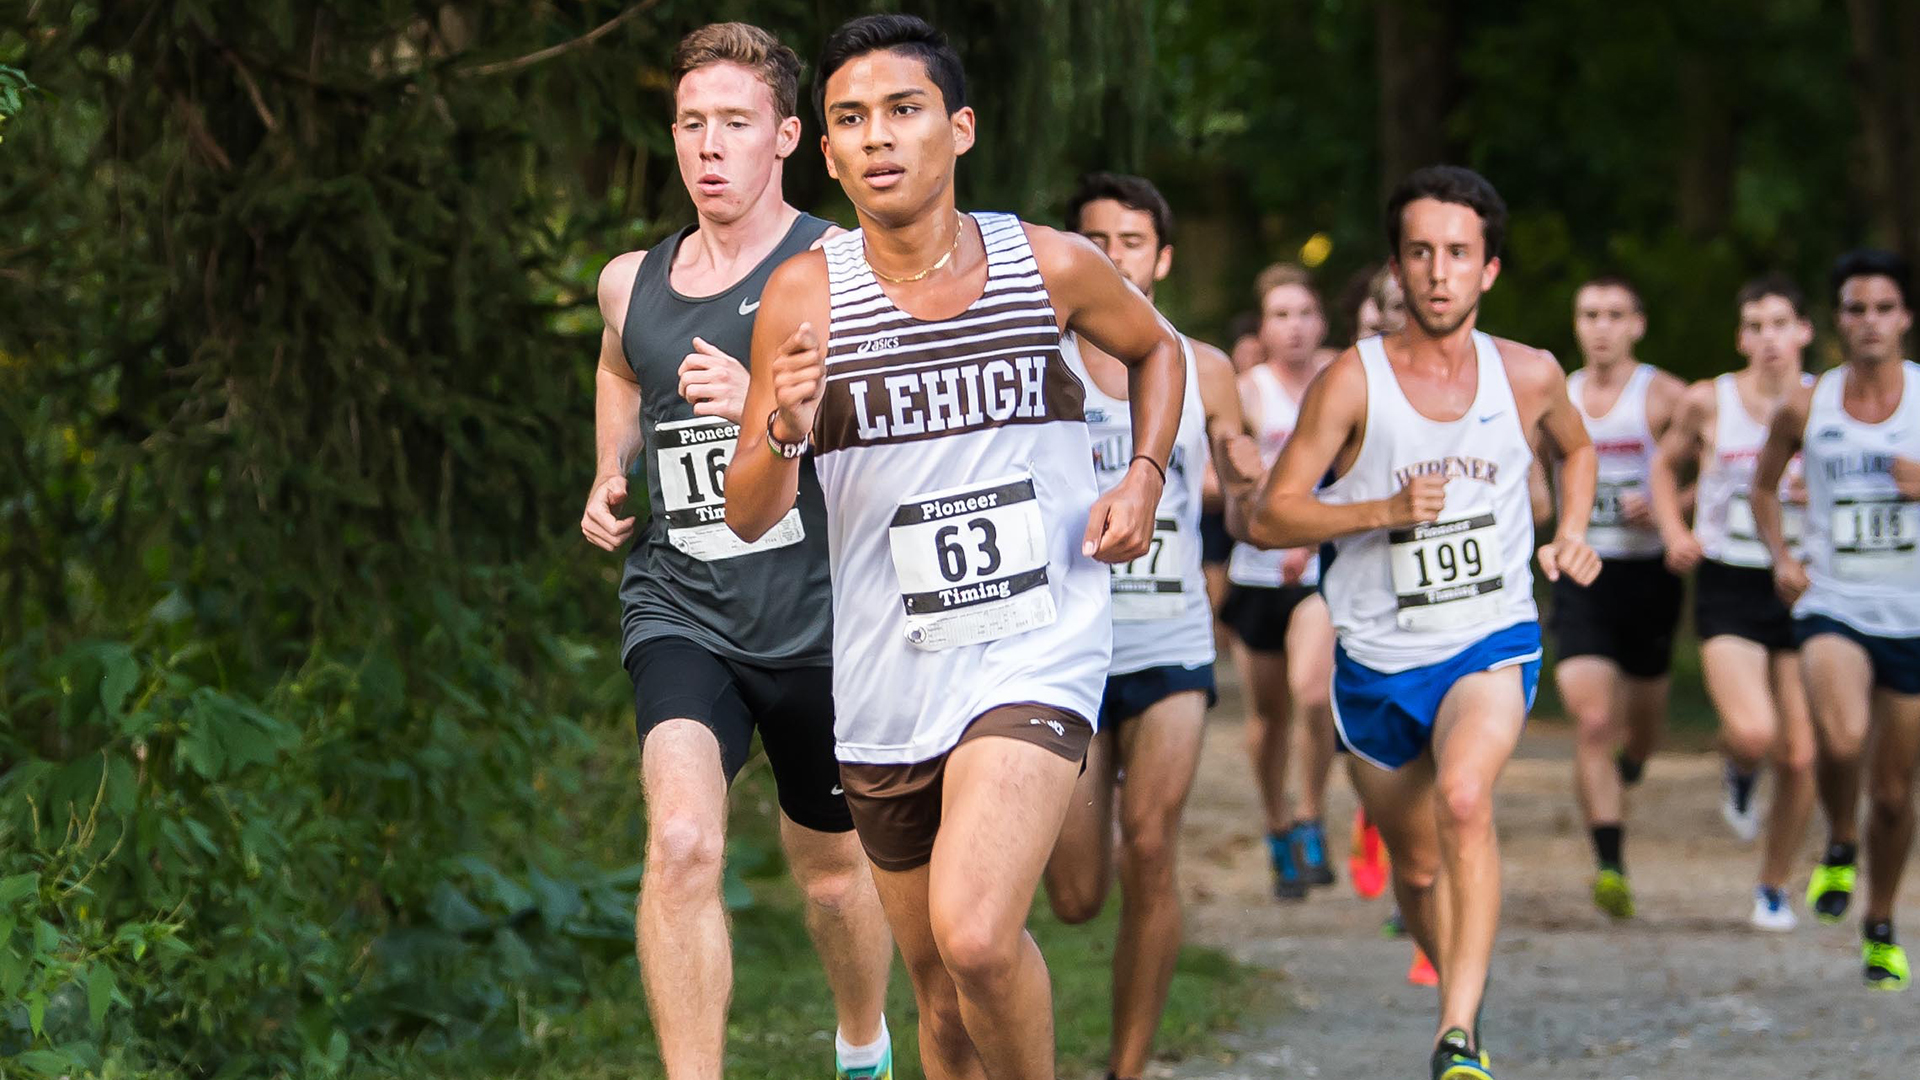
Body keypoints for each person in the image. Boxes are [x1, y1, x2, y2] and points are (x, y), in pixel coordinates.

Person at [723, 15, 1186, 1077]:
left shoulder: (1051, 265)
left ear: (959, 127)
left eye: (904, 110)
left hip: (1036, 645)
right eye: (851, 119)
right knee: (937, 993)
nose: (878, 137)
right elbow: (750, 512)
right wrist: (785, 425)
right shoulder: (805, 297)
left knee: (978, 934)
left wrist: (1144, 475)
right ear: (826, 152)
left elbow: (1158, 352)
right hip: (889, 685)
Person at [579, 23, 894, 1080]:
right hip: (683, 605)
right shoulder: (632, 279)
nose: (709, 147)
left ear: (787, 140)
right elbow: (624, 369)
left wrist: (765, 405)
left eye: (735, 125)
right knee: (679, 843)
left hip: (821, 619)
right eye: (691, 124)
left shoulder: (841, 268)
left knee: (834, 882)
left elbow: (897, 430)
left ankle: (862, 1045)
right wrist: (607, 466)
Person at [1244, 165, 1599, 1079]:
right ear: (1398, 268)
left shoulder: (1528, 374)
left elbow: (1577, 445)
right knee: (1420, 866)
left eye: (1459, 253)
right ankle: (1459, 1002)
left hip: (1489, 637)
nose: (1439, 272)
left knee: (1468, 799)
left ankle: (1457, 1034)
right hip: (1375, 661)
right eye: (1420, 254)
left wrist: (1572, 531)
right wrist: (1381, 513)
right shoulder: (1351, 383)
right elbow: (1271, 516)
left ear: (1488, 270)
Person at [1043, 170, 1261, 1080]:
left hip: (1169, 642)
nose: (1114, 256)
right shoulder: (1039, 355)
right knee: (1077, 895)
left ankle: (1128, 1069)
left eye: (1132, 242)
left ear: (1162, 259)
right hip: (1064, 651)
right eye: (1096, 240)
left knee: (1152, 844)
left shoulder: (1203, 366)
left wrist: (1247, 477)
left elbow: (1246, 510)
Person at [1751, 248, 1920, 991]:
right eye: (1856, 308)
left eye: (1884, 307)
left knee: (1895, 795)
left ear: (1906, 318)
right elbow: (1762, 488)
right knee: (1841, 734)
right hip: (1834, 603)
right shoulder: (1806, 405)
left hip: (1912, 614)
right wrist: (1782, 557)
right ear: (1837, 323)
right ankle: (1839, 841)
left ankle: (1879, 922)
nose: (1870, 322)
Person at [1647, 275, 1818, 931]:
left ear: (1803, 331)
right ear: (1742, 336)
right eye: (1756, 326)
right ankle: (1740, 768)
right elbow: (1665, 468)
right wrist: (1674, 531)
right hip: (1729, 578)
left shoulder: (1825, 405)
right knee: (1754, 731)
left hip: (1804, 582)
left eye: (1781, 323)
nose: (1769, 338)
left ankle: (1772, 885)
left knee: (1801, 755)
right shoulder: (1709, 400)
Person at [1547, 275, 1686, 920]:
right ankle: (1609, 862)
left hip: (1648, 577)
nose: (1601, 327)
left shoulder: (1663, 396)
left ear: (1638, 325)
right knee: (1593, 719)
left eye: (1614, 315)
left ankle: (1630, 767)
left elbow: (1722, 479)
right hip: (1582, 574)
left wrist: (1667, 507)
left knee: (1642, 729)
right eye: (1589, 314)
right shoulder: (1557, 395)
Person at [1221, 263, 1342, 900]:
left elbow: (1362, 471)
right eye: (1280, 316)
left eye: (1304, 314)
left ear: (1321, 322)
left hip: (1322, 570)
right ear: (1263, 329)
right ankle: (1276, 829)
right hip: (1257, 571)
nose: (1294, 328)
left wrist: (1312, 532)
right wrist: (1254, 497)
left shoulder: (1342, 381)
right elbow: (1216, 480)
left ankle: (1312, 814)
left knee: (1313, 691)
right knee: (1268, 717)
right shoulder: (1246, 391)